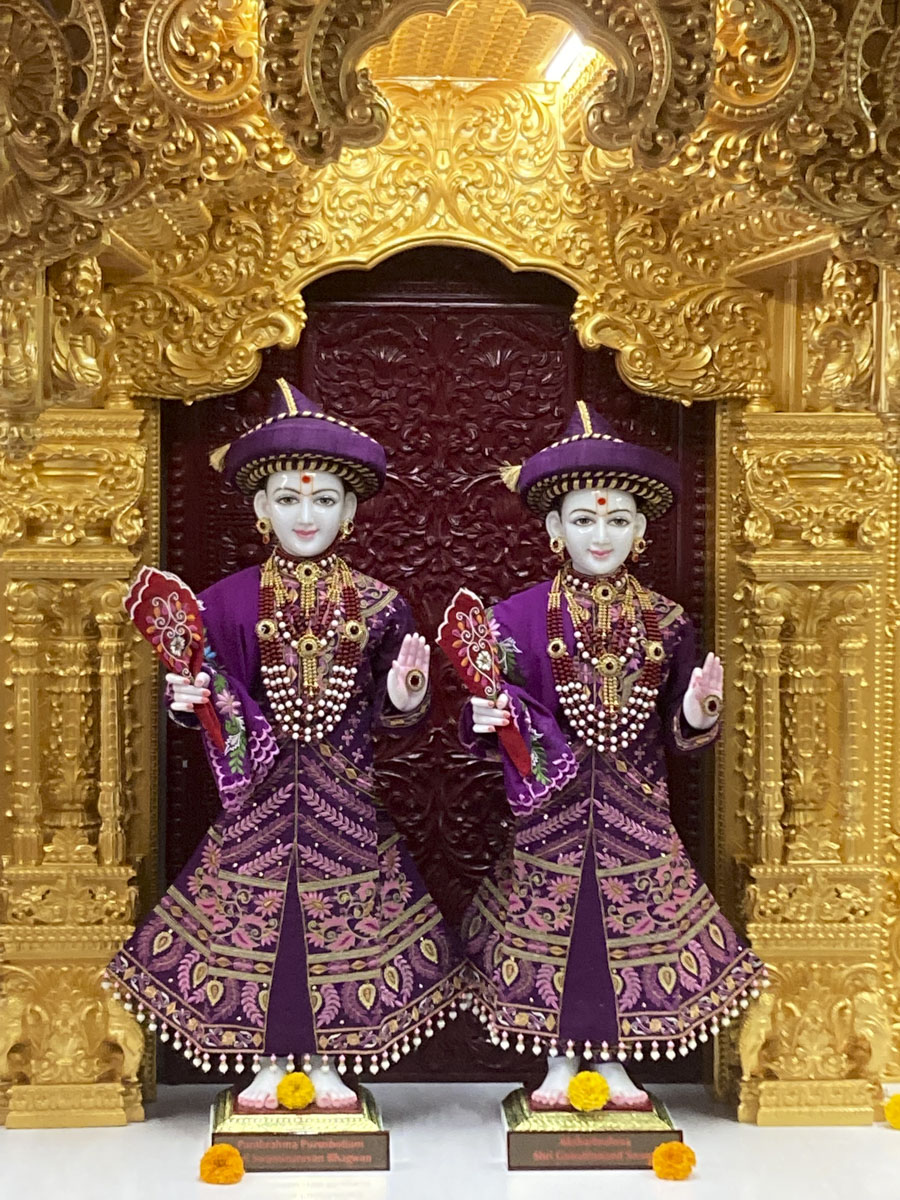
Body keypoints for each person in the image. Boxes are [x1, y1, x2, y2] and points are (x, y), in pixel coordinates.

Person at [106, 378, 465, 1111]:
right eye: (291, 499)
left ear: (352, 510)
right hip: (258, 808)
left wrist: (405, 699)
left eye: (326, 499)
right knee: (261, 929)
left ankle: (330, 1061)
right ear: (261, 509)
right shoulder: (225, 602)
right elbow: (206, 698)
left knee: (339, 929)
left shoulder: (381, 604)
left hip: (346, 804)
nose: (309, 515)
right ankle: (267, 1067)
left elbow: (403, 716)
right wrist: (191, 702)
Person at [459, 402, 766, 1109]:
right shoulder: (515, 618)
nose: (603, 536)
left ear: (643, 530)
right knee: (560, 929)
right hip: (550, 813)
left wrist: (696, 715)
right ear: (553, 528)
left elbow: (682, 731)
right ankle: (561, 1063)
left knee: (626, 934)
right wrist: (487, 718)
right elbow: (489, 720)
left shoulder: (668, 620)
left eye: (619, 520)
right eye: (586, 520)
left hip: (637, 807)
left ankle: (618, 1060)